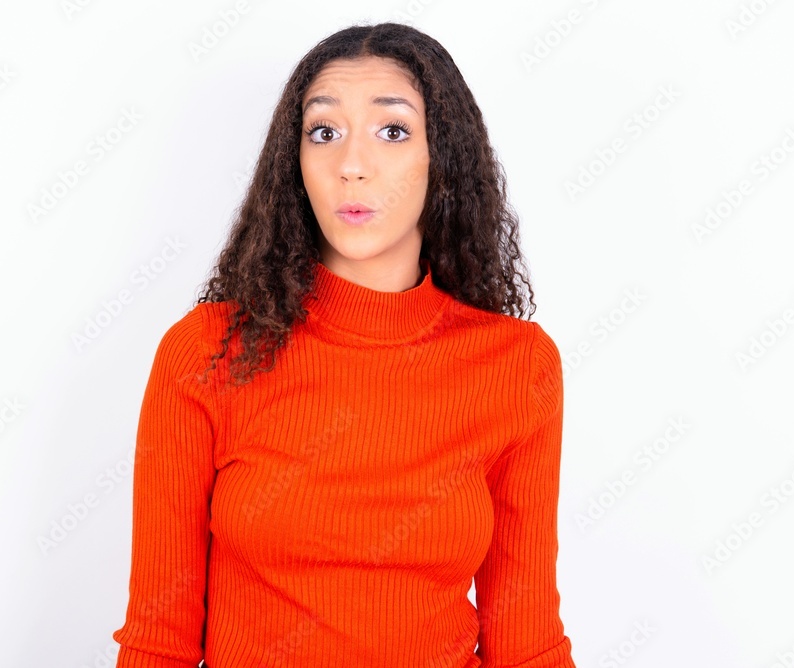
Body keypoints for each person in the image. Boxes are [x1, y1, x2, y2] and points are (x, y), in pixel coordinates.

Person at [111, 21, 576, 668]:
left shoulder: (517, 365)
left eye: (392, 130)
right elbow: (158, 641)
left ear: (443, 156)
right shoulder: (207, 352)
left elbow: (526, 643)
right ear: (293, 162)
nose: (351, 166)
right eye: (323, 133)